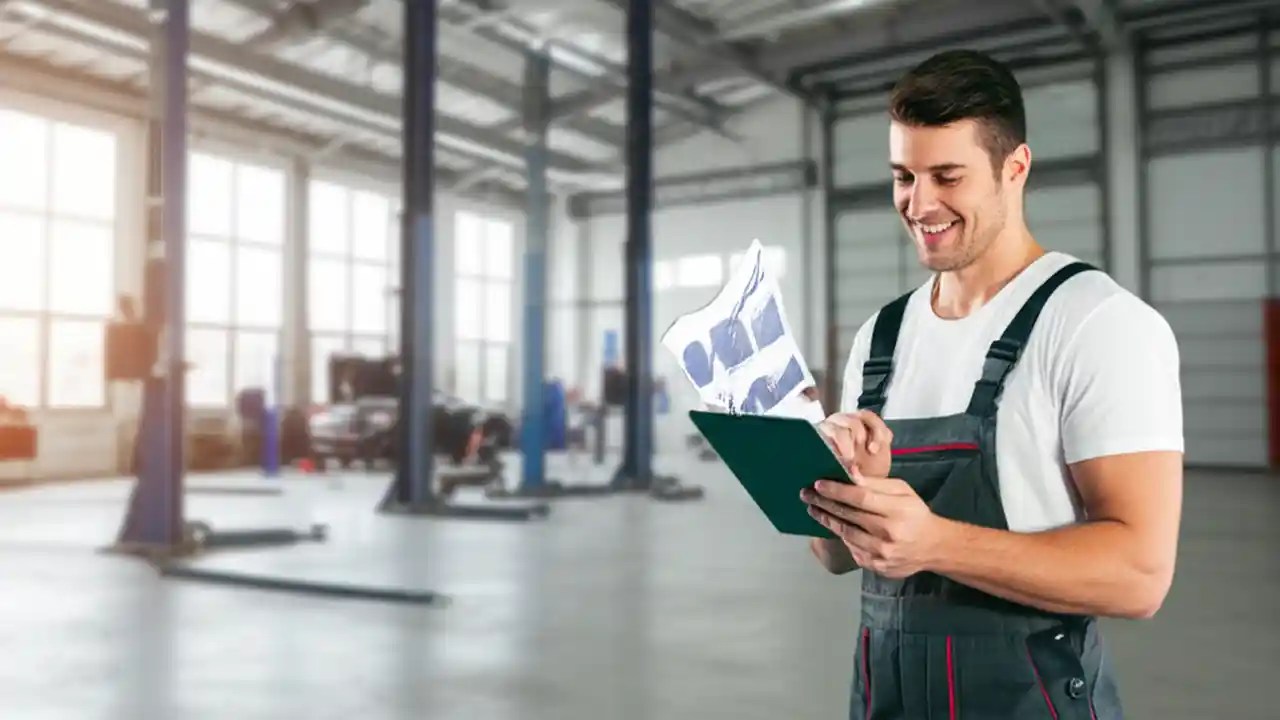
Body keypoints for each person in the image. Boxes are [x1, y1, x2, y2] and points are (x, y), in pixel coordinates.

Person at [801, 49, 1183, 720]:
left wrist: (932, 541)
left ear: (1015, 169)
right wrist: (834, 492)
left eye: (947, 175)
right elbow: (833, 558)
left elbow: (1139, 576)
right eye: (903, 176)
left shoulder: (1095, 322)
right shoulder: (879, 338)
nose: (919, 204)